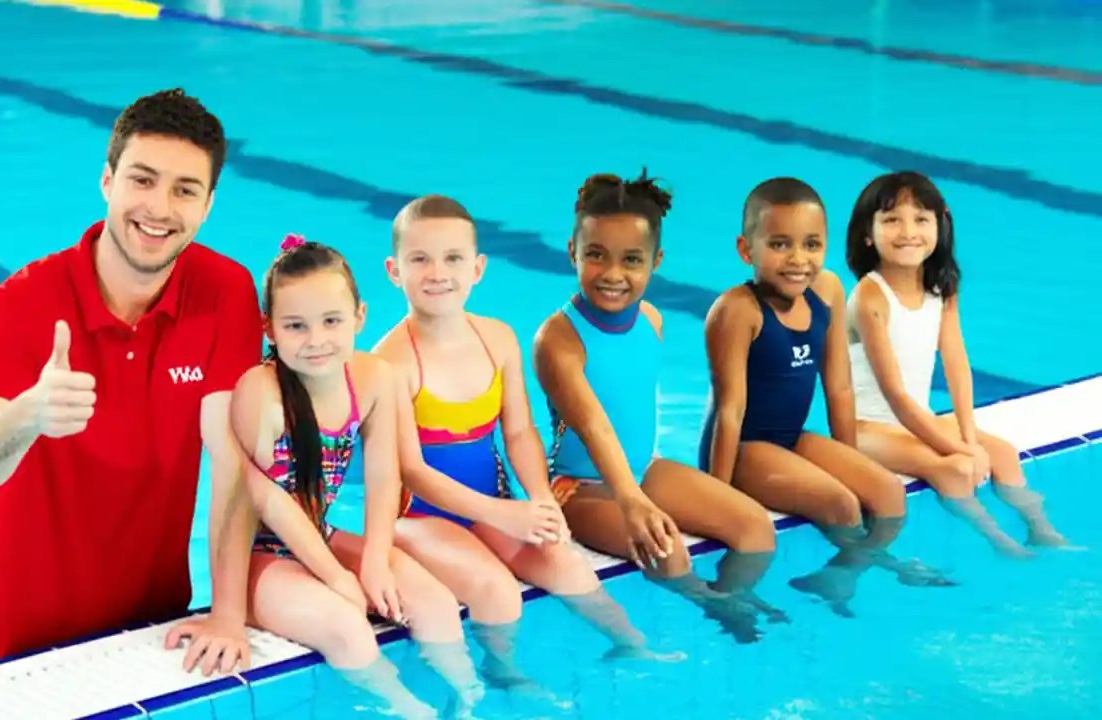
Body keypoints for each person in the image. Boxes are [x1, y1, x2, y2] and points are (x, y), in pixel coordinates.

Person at [0, 89, 263, 674]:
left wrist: (228, 612)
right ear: (107, 182)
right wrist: (29, 415)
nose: (159, 208)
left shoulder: (225, 294)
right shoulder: (25, 302)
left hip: (148, 630)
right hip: (1, 635)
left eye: (184, 190)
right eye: (142, 180)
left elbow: (234, 465)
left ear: (208, 204)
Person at [373, 195, 662, 687]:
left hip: (492, 505)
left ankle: (632, 647)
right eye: (419, 259)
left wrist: (543, 504)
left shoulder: (498, 338)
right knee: (497, 591)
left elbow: (520, 431)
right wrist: (502, 513)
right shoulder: (390, 362)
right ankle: (506, 678)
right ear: (394, 271)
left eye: (453, 258)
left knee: (566, 565)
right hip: (419, 517)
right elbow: (412, 472)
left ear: (479, 268)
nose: (437, 272)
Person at [221, 235, 483, 719]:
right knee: (347, 627)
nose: (316, 340)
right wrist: (336, 575)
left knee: (434, 602)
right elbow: (272, 506)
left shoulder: (374, 377)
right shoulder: (260, 393)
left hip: (322, 535)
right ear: (270, 329)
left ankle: (469, 701)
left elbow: (385, 482)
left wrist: (377, 561)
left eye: (332, 321)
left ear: (360, 316)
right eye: (295, 326)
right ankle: (410, 711)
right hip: (263, 557)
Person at [533, 170, 782, 643]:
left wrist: (640, 492)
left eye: (631, 260)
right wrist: (633, 502)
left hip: (642, 469)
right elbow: (596, 428)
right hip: (578, 488)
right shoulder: (558, 340)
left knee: (755, 529)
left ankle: (727, 605)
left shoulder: (651, 319)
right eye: (595, 255)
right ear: (572, 252)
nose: (612, 274)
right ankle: (717, 609)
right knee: (667, 552)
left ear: (656, 261)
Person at [700, 177, 924, 616]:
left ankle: (841, 573)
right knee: (839, 502)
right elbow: (730, 412)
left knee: (886, 493)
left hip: (790, 437)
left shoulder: (828, 291)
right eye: (780, 244)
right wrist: (719, 499)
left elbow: (838, 387)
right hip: (744, 448)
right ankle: (726, 597)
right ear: (747, 250)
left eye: (811, 244)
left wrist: (851, 463)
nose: (798, 259)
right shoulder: (736, 311)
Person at [845, 170, 1067, 555]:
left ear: (940, 224)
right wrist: (960, 451)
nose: (908, 231)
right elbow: (895, 394)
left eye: (920, 219)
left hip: (916, 421)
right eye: (892, 220)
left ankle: (1041, 530)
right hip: (866, 430)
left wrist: (967, 433)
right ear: (868, 233)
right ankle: (1000, 543)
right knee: (955, 468)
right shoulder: (870, 297)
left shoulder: (941, 286)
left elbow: (956, 361)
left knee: (1002, 452)